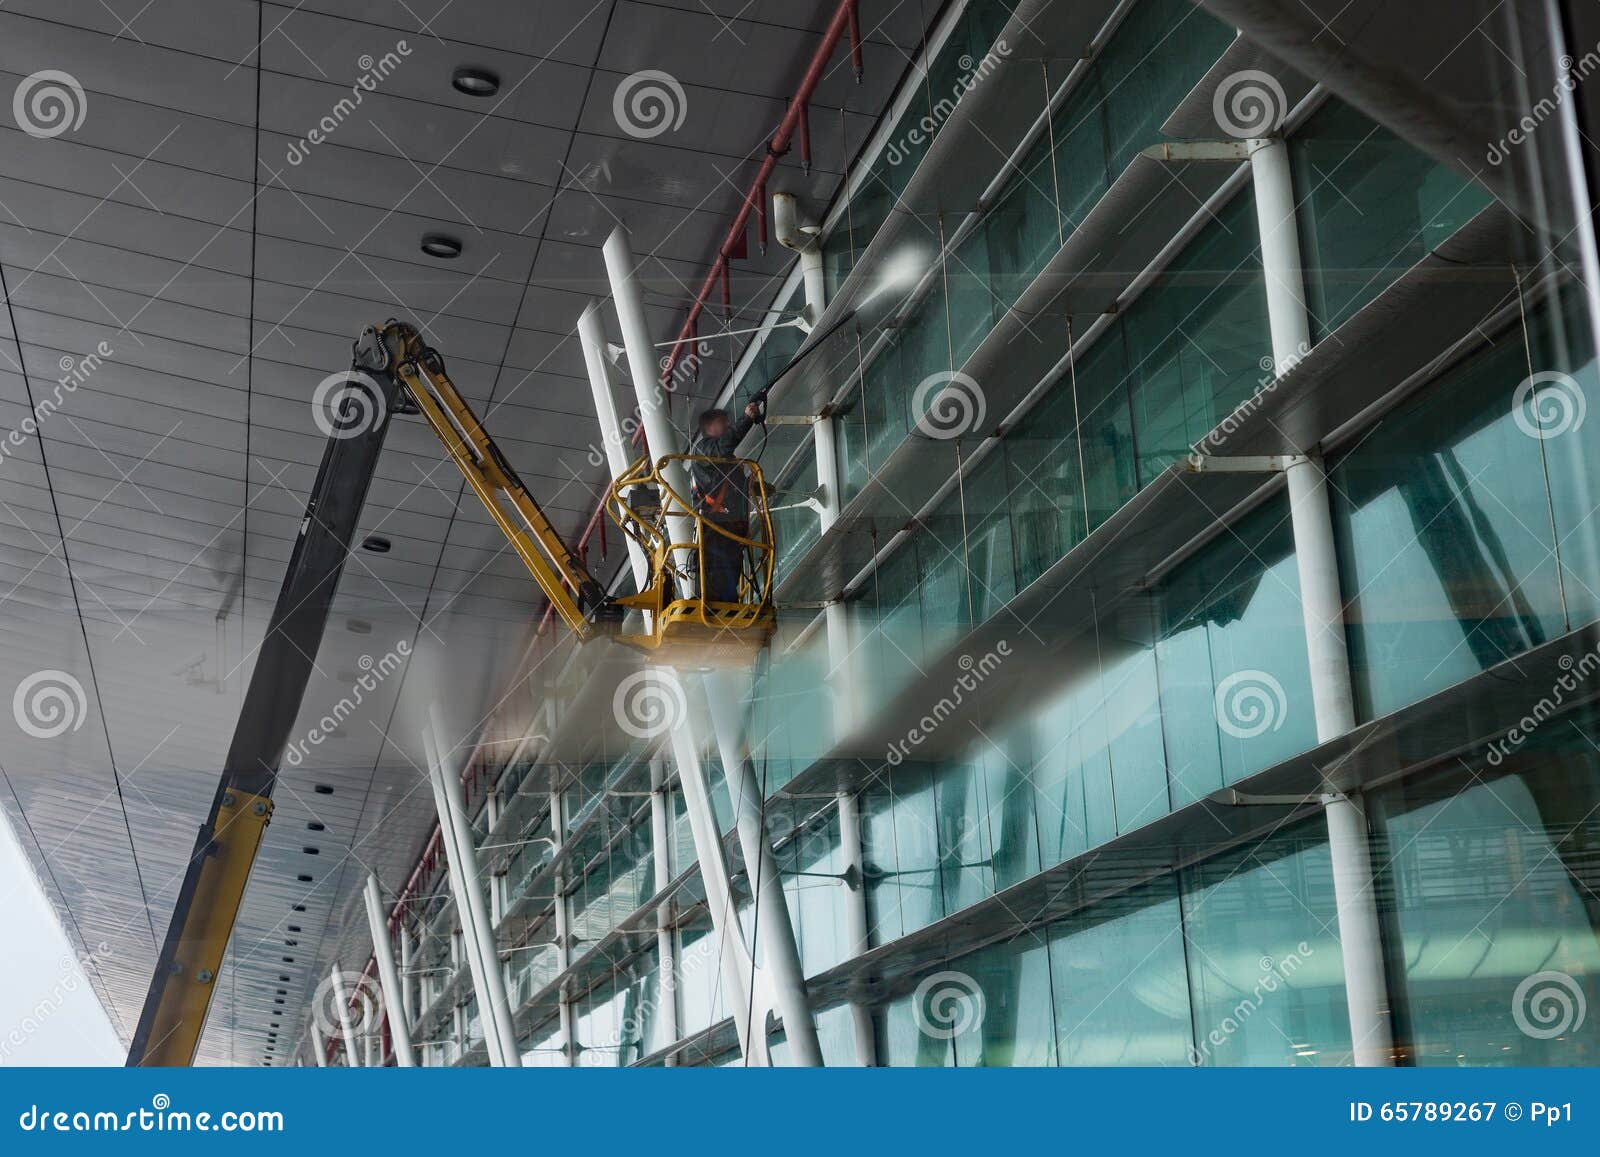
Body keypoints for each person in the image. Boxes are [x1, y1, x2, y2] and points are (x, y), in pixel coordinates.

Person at [687, 400, 763, 605]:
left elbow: (730, 487)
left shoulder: (723, 460)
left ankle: (726, 604)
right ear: (710, 427)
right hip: (716, 526)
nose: (728, 426)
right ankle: (717, 606)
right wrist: (747, 419)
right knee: (720, 570)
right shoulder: (705, 450)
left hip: (728, 526)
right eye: (723, 423)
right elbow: (725, 444)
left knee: (730, 570)